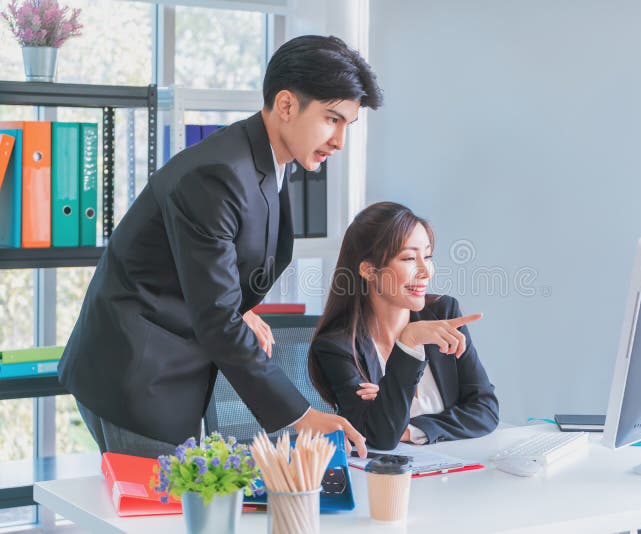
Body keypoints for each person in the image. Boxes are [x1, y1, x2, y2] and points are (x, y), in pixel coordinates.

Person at [58, 35, 383, 458]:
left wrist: (240, 306)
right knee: (159, 519)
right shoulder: (218, 175)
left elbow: (208, 260)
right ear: (286, 106)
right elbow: (216, 321)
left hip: (165, 363)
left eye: (347, 125)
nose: (339, 140)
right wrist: (299, 415)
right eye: (331, 119)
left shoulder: (265, 161)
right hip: (137, 373)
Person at [308, 202, 500, 450]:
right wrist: (407, 343)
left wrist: (410, 429)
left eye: (428, 256)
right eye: (409, 258)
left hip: (456, 470)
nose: (425, 271)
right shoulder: (337, 347)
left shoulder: (443, 313)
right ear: (368, 270)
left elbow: (485, 409)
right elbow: (380, 436)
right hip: (387, 480)